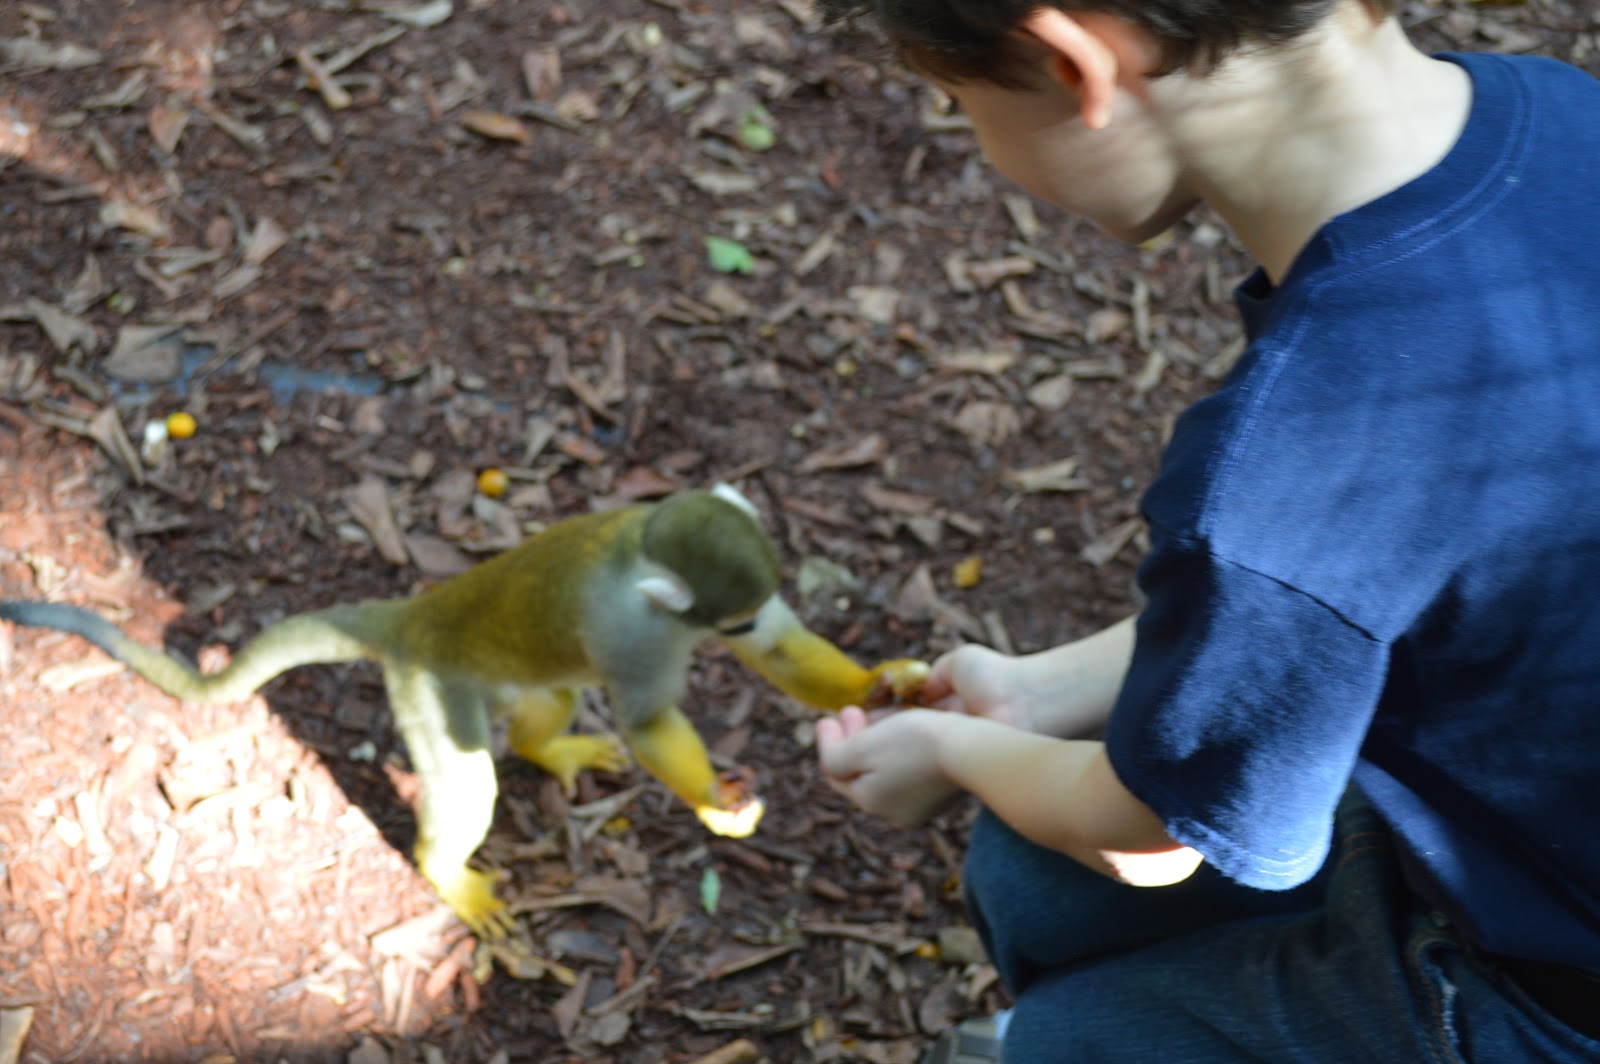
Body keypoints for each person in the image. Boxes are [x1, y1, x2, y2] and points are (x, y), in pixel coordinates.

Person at [809, 1, 1600, 1060]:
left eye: (961, 105)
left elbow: (1154, 838)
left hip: (1554, 986)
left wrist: (953, 748)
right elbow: (1361, 582)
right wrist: (1038, 694)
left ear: (1072, 62)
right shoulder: (1558, 115)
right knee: (1027, 874)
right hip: (1541, 801)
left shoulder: (1297, 444)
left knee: (1064, 1042)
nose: (975, 139)